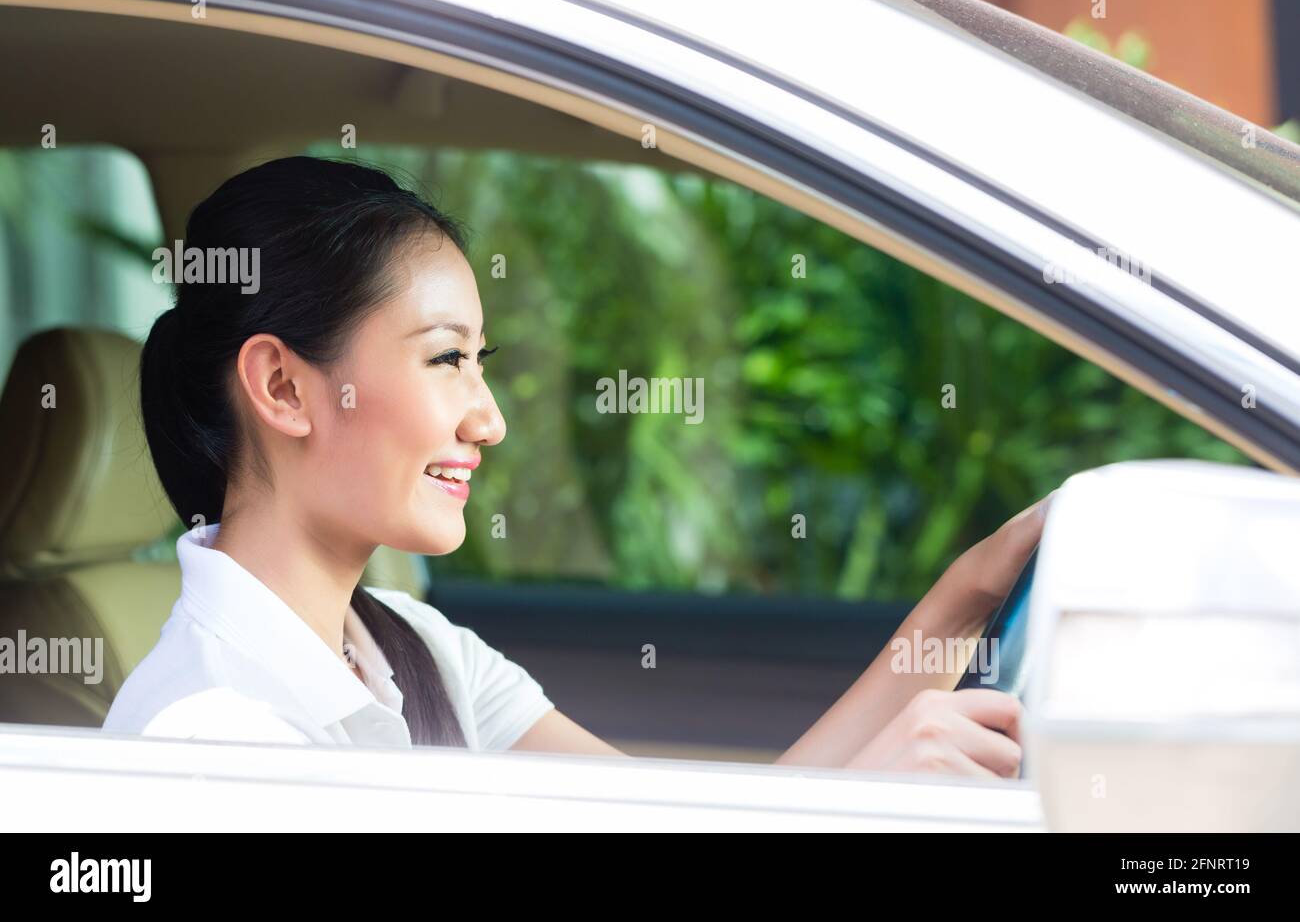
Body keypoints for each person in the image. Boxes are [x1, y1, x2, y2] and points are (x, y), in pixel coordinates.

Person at [104, 156, 1047, 778]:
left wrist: (965, 596)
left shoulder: (417, 653)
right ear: (282, 387)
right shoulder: (211, 738)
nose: (491, 419)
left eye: (485, 363)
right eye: (445, 359)